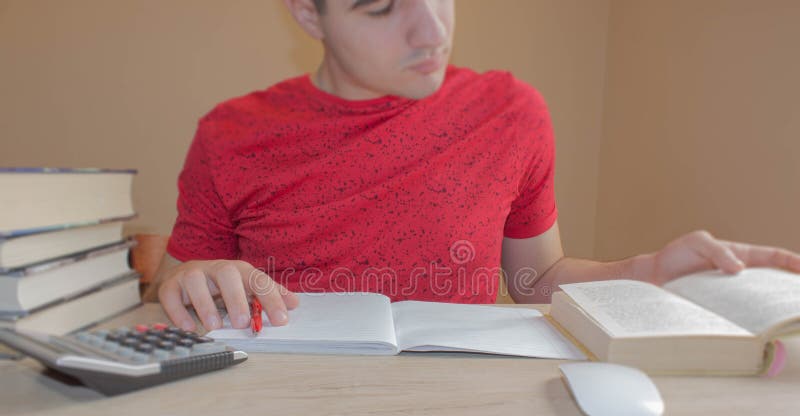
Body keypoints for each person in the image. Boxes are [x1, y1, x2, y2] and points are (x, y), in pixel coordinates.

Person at [150, 0, 800, 332]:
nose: (430, 31)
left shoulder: (511, 113)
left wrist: (647, 273)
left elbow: (535, 279)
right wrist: (193, 281)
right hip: (280, 412)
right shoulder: (231, 135)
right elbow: (179, 283)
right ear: (304, 11)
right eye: (380, 6)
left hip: (462, 410)